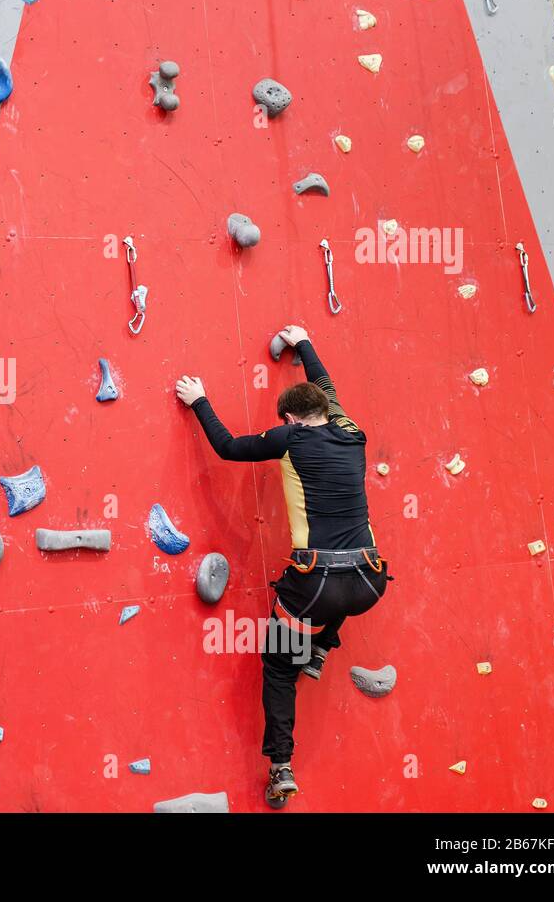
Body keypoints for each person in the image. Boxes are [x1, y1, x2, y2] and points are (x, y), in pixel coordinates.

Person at [175, 326, 391, 807]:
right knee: (329, 612)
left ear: (293, 418)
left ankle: (281, 768)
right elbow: (327, 389)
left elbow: (229, 447)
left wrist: (199, 401)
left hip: (315, 585)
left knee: (277, 665)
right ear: (327, 413)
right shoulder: (353, 433)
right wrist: (305, 342)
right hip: (370, 581)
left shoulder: (290, 438)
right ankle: (319, 648)